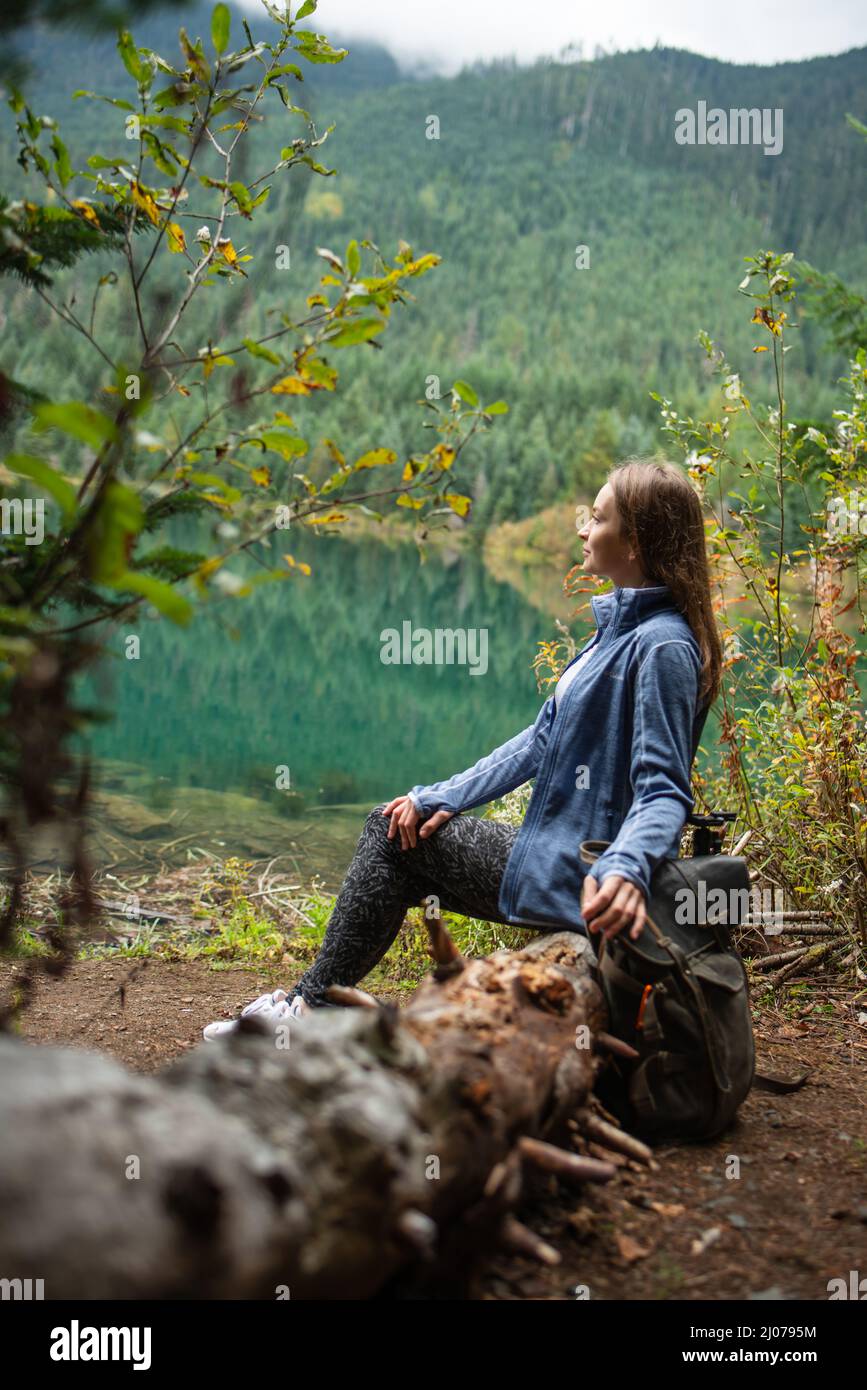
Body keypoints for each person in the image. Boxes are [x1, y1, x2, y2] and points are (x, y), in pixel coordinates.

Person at [203, 457, 723, 1041]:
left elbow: (663, 790)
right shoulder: (621, 633)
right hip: (559, 856)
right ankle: (310, 1009)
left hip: (586, 875)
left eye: (597, 519)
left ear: (635, 543)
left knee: (388, 836)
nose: (582, 528)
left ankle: (306, 1015)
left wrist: (624, 868)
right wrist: (440, 796)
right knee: (404, 823)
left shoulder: (662, 648)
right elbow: (540, 743)